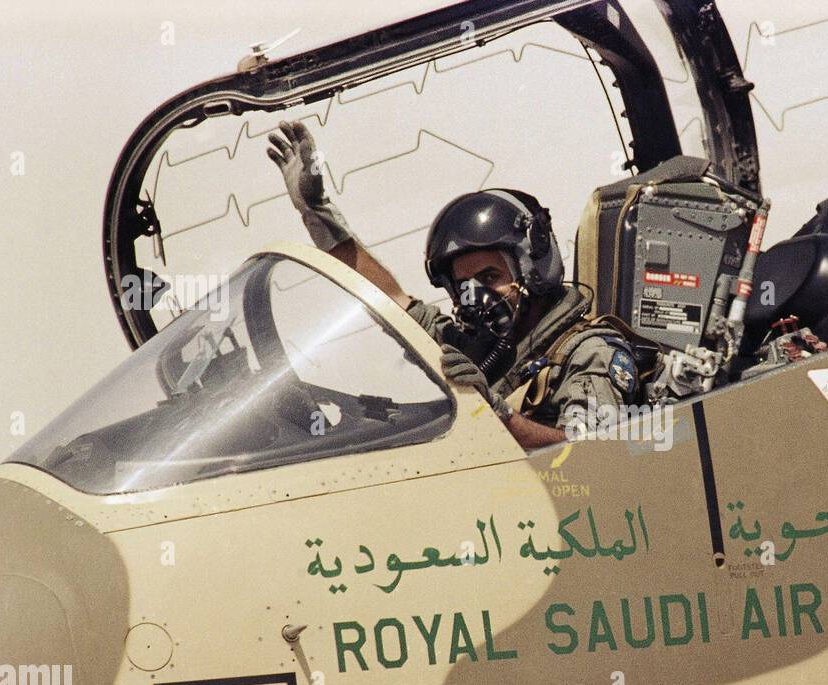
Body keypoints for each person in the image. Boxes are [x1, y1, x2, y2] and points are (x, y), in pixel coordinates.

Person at [266, 120, 642, 449]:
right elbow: (390, 300)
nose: (475, 294)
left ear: (533, 269)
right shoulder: (469, 349)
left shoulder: (589, 352)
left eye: (490, 277)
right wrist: (316, 210)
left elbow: (591, 457)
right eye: (463, 283)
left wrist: (498, 415)